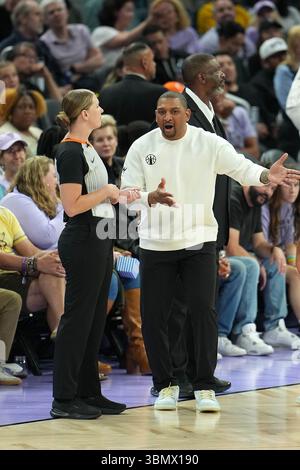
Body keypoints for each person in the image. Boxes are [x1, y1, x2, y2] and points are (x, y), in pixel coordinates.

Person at [121, 90, 300, 413]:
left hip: (199, 241)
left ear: (187, 114)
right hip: (155, 244)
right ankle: (165, 385)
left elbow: (240, 167)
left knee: (203, 311)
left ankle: (204, 384)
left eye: (174, 111)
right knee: (155, 317)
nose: (166, 118)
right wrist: (150, 198)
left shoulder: (208, 142)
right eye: (161, 112)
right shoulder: (141, 146)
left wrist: (264, 175)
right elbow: (126, 194)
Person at [51, 88, 139, 420]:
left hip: (100, 237)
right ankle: (63, 397)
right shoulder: (70, 151)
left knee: (94, 321)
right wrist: (106, 191)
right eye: (97, 105)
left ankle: (89, 391)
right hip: (82, 238)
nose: (101, 109)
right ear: (84, 113)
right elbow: (72, 206)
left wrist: (118, 195)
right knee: (77, 321)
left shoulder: (87, 148)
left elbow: (98, 197)